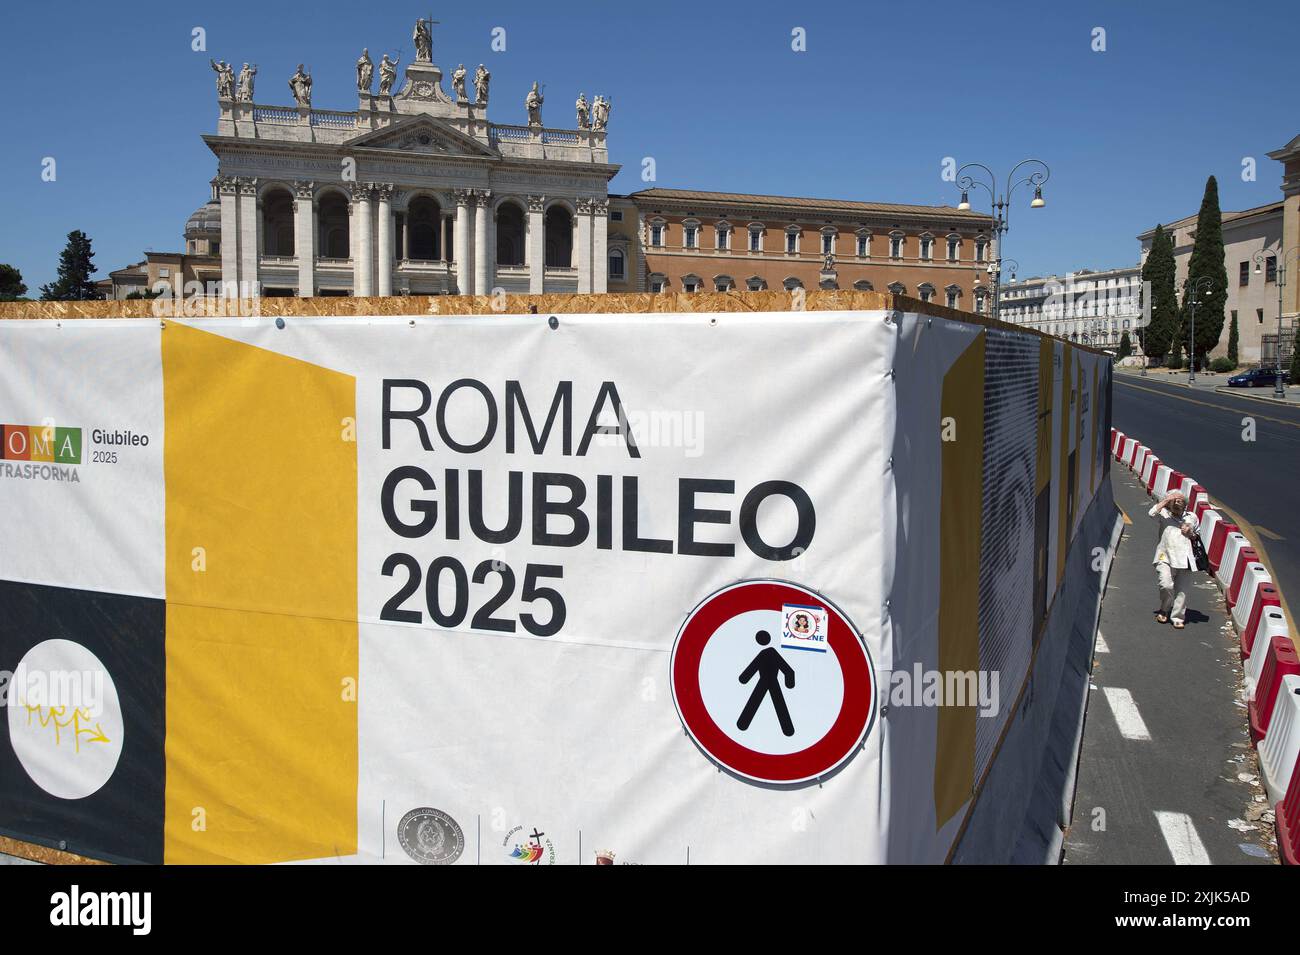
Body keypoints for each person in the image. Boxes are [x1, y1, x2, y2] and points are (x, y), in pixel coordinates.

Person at [1149, 490, 1198, 628]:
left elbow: (1196, 535)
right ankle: (1164, 609)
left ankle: (1177, 616)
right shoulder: (1164, 515)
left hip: (1185, 558)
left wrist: (1190, 532)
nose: (1177, 503)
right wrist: (1165, 501)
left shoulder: (1191, 517)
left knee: (1182, 591)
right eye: (1174, 501)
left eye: (1180, 501)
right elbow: (1151, 513)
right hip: (1165, 556)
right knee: (1165, 584)